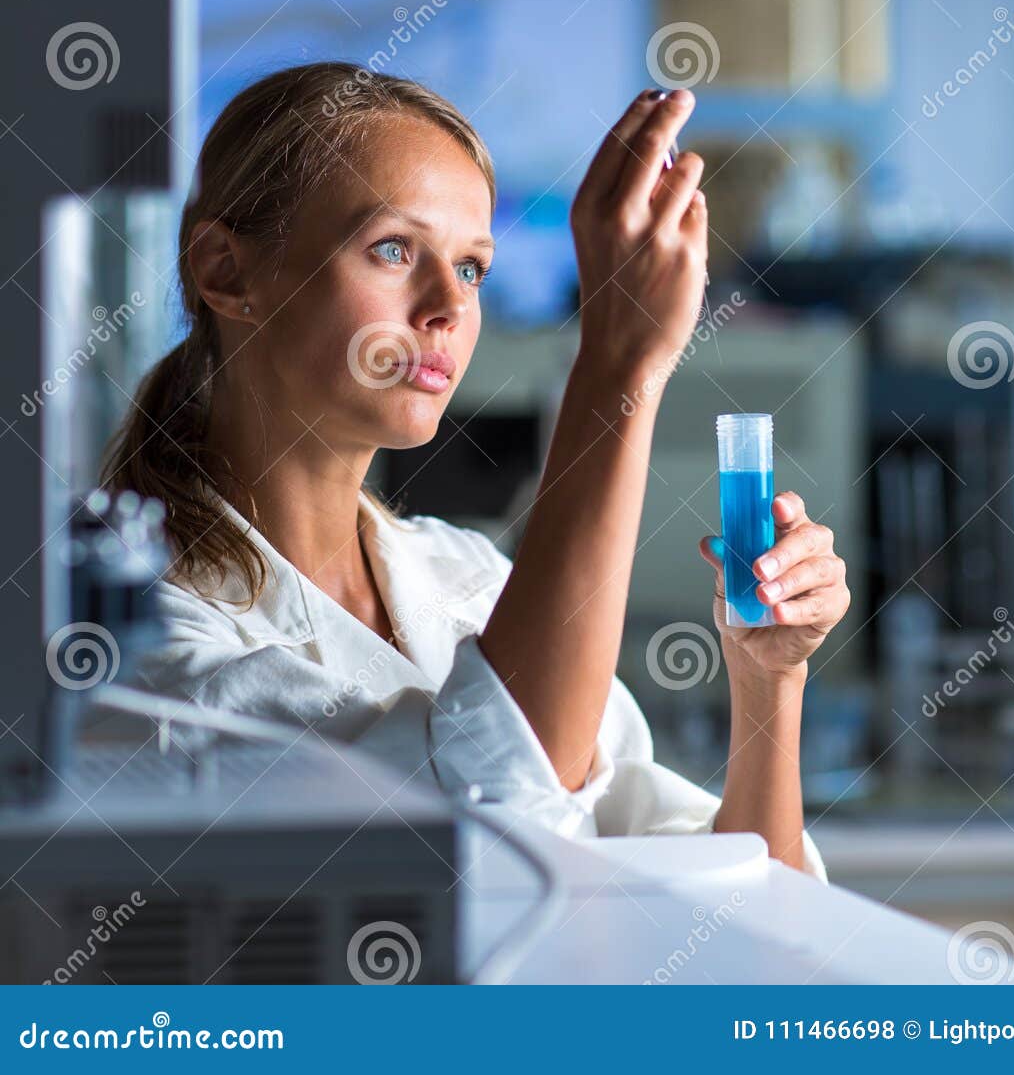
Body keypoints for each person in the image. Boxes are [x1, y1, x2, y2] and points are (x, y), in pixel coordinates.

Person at [102, 64, 850, 879]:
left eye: (470, 268)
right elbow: (488, 829)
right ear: (226, 272)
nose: (448, 308)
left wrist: (766, 679)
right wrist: (614, 365)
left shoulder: (469, 579)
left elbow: (745, 901)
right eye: (392, 249)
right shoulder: (134, 635)